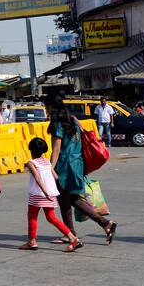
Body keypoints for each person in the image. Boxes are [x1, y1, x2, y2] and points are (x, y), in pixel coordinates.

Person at [49, 99, 117, 245]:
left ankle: (100, 224)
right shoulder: (73, 120)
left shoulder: (57, 124)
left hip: (64, 166)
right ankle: (79, 231)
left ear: (51, 107)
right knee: (70, 198)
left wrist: (50, 168)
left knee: (67, 199)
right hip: (77, 163)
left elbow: (56, 148)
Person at [20, 137, 79, 251]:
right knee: (51, 217)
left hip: (38, 194)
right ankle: (72, 237)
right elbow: (55, 176)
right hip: (51, 193)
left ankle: (32, 241)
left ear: (31, 150)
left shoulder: (31, 163)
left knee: (32, 216)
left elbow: (37, 178)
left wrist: (45, 192)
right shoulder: (47, 161)